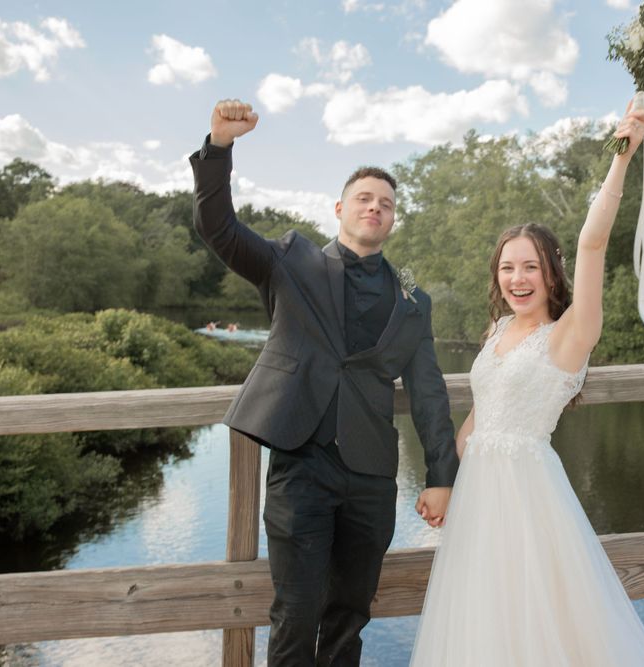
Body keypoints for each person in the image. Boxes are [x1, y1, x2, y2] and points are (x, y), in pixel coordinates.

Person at [190, 98, 458, 666]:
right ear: (339, 208)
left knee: (349, 616)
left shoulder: (414, 304)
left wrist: (441, 476)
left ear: (392, 220)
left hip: (371, 477)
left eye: (386, 204)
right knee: (297, 610)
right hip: (301, 467)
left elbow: (430, 393)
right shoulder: (293, 262)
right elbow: (218, 228)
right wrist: (219, 147)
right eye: (364, 198)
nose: (375, 208)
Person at [409, 102, 644, 665]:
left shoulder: (571, 333)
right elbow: (480, 415)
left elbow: (593, 243)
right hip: (476, 495)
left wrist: (621, 156)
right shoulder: (498, 328)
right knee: (480, 626)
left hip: (528, 499)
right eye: (507, 268)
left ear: (552, 270)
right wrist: (444, 480)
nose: (517, 279)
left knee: (538, 626)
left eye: (530, 267)